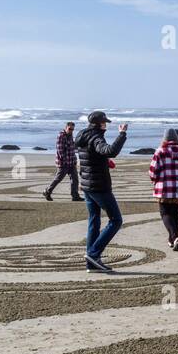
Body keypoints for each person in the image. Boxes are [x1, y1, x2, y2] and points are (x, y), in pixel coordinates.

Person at [75, 111, 128, 272]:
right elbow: (110, 151)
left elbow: (88, 160)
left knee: (94, 220)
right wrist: (122, 134)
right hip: (99, 186)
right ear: (99, 124)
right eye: (105, 122)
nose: (106, 124)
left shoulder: (82, 136)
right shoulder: (96, 137)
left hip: (87, 186)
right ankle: (93, 253)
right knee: (116, 220)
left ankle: (92, 262)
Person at [149, 128, 178, 250]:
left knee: (165, 213)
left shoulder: (160, 151)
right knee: (176, 213)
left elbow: (153, 171)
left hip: (164, 188)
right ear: (177, 138)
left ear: (165, 138)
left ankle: (175, 237)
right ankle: (172, 239)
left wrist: (154, 180)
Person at [43, 121, 82, 202]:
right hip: (63, 163)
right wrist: (65, 161)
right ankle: (47, 191)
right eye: (70, 129)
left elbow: (72, 148)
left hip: (71, 162)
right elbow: (60, 151)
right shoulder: (61, 136)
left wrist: (75, 159)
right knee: (58, 179)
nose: (71, 131)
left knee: (75, 179)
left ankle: (75, 196)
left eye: (73, 129)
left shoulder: (70, 135)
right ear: (66, 127)